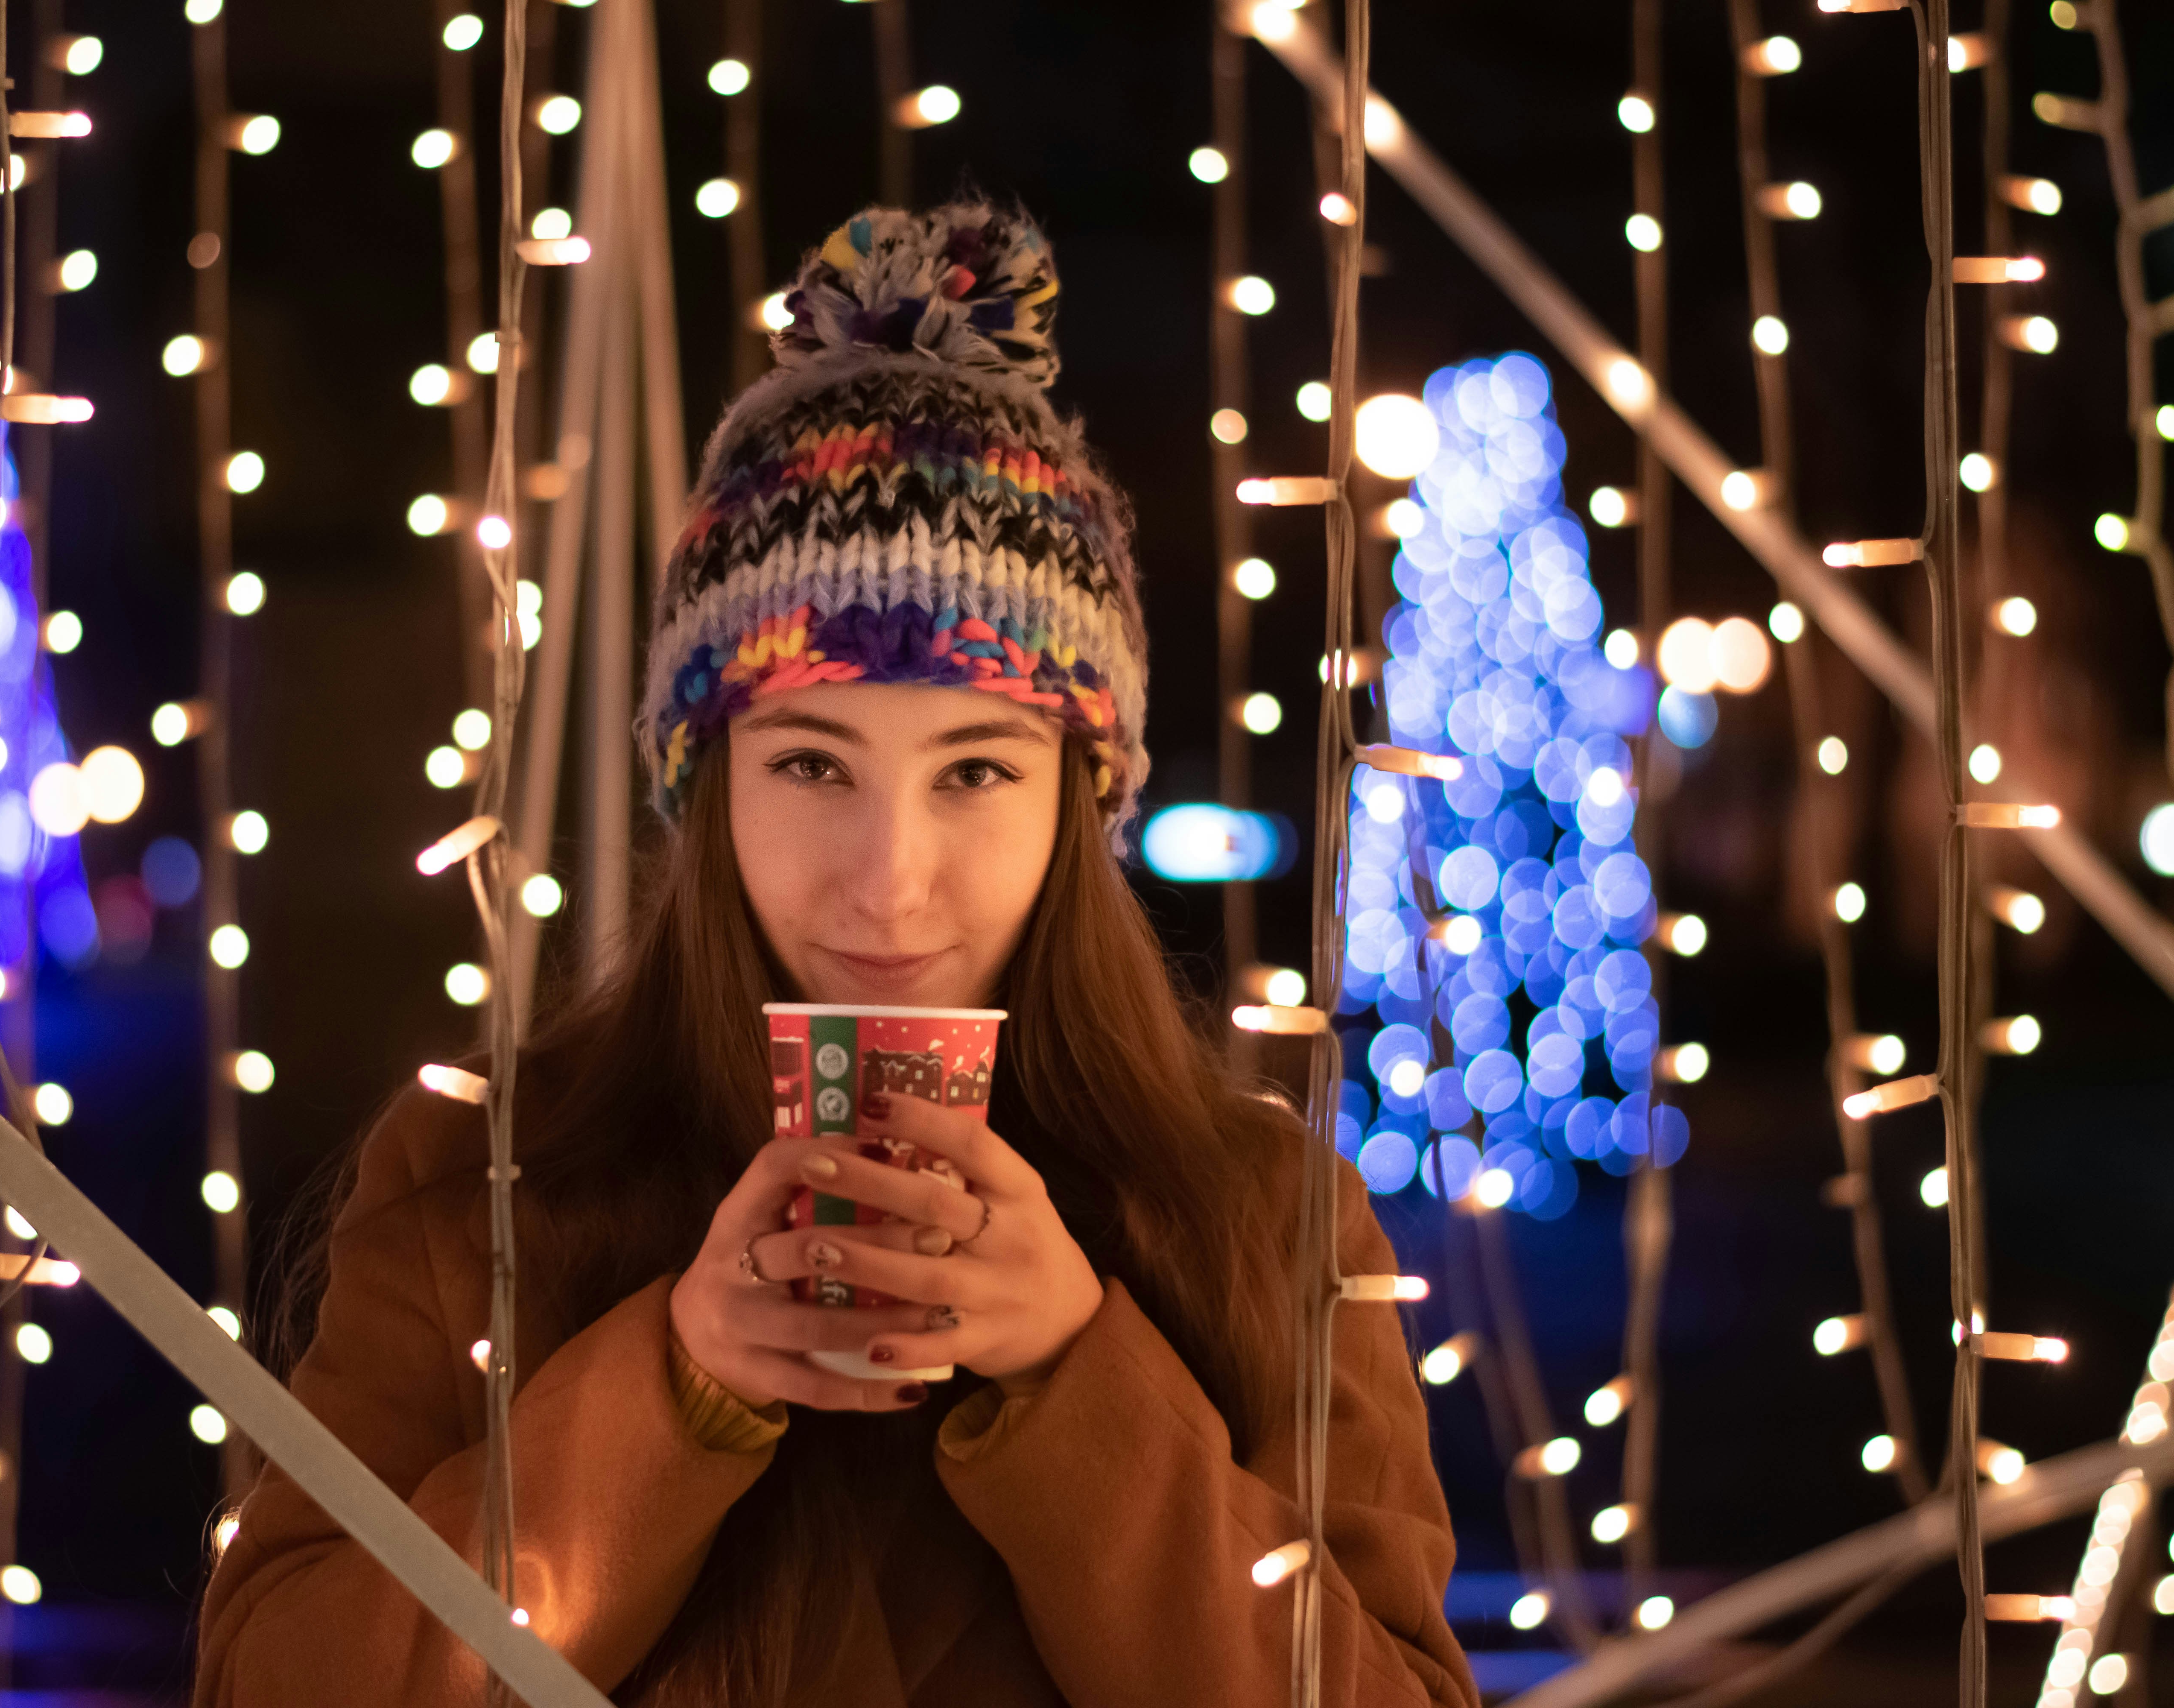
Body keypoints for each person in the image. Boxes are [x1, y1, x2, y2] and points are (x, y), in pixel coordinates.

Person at [197, 201, 1474, 1707]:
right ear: (706, 779)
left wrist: (1075, 1374)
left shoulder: (1264, 1218)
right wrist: (672, 1385)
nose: (888, 883)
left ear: (1082, 804)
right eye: (810, 765)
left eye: (977, 772)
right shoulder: (489, 1178)